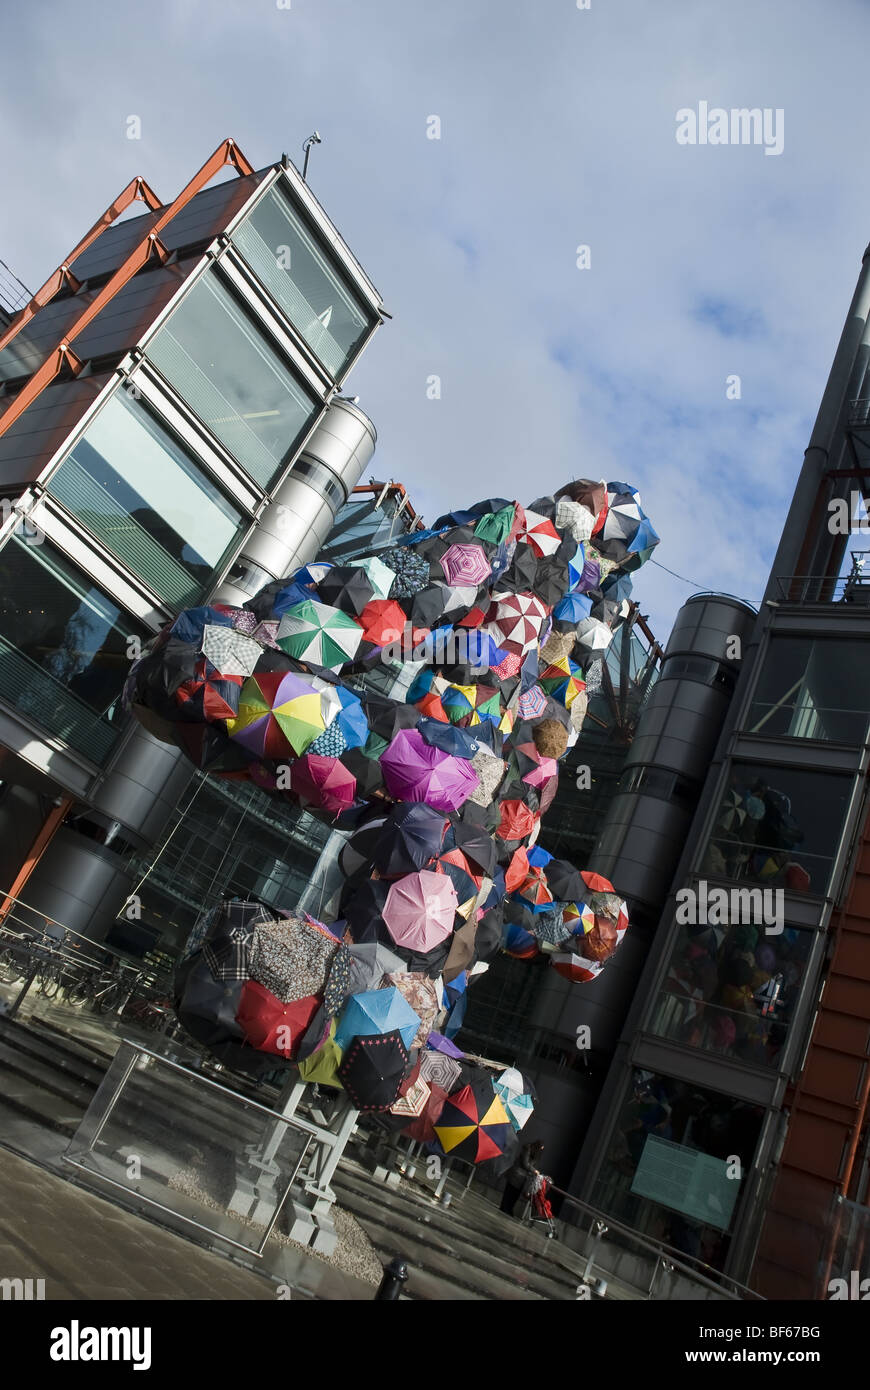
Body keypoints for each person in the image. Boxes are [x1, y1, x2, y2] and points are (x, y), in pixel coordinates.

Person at [499, 1139, 545, 1216]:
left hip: (522, 1177)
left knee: (515, 1193)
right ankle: (505, 1208)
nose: (541, 1151)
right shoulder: (528, 1148)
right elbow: (525, 1163)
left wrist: (533, 1170)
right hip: (517, 1173)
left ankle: (508, 1209)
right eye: (541, 1148)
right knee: (509, 1191)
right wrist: (534, 1170)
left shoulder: (534, 1153)